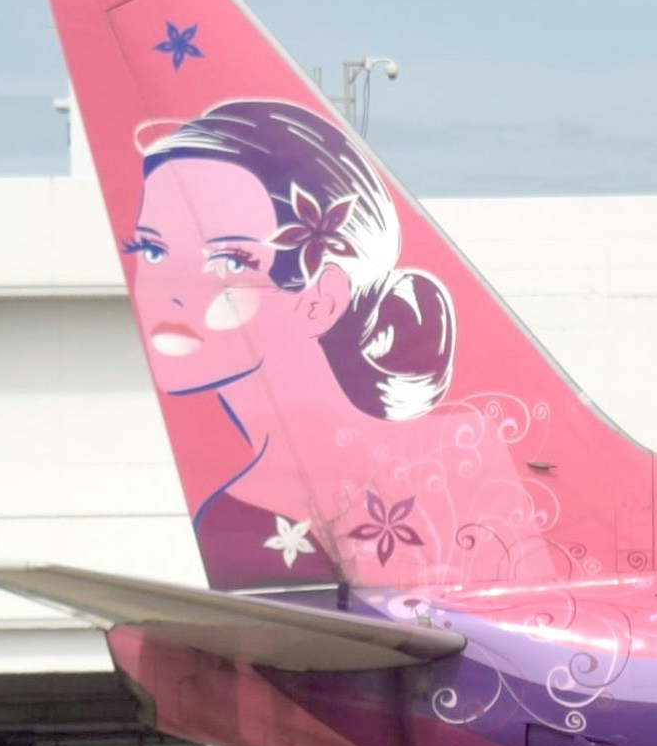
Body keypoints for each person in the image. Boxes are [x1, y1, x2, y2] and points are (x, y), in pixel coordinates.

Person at [117, 98, 522, 591]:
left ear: (320, 300)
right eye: (152, 250)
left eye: (228, 261)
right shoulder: (463, 448)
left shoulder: (458, 452)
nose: (171, 290)